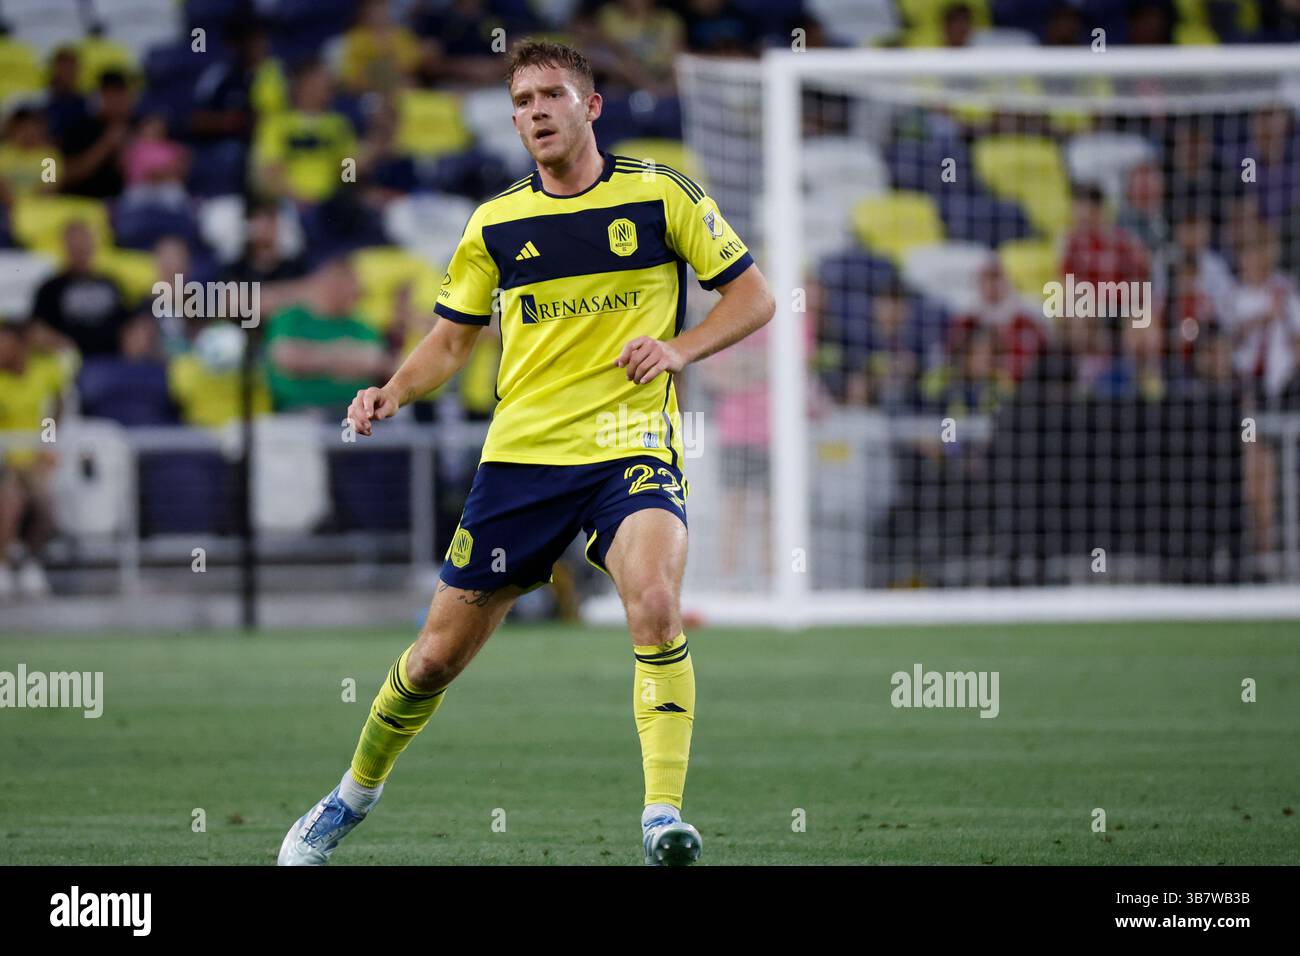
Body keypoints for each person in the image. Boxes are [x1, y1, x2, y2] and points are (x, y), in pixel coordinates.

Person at [277, 39, 774, 867]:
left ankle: (661, 817)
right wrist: (392, 391)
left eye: (551, 95)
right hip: (521, 463)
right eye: (521, 100)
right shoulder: (497, 223)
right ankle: (348, 799)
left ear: (591, 107)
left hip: (630, 447)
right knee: (434, 659)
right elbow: (449, 341)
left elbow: (753, 297)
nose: (535, 112)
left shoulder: (662, 195)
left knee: (653, 602)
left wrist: (681, 350)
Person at [0, 318, 68, 600]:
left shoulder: (45, 371)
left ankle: (29, 563)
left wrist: (47, 443)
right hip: (5, 460)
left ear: (20, 345)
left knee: (48, 508)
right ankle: (3, 565)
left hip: (35, 457)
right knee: (11, 504)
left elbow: (55, 409)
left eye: (5, 343)